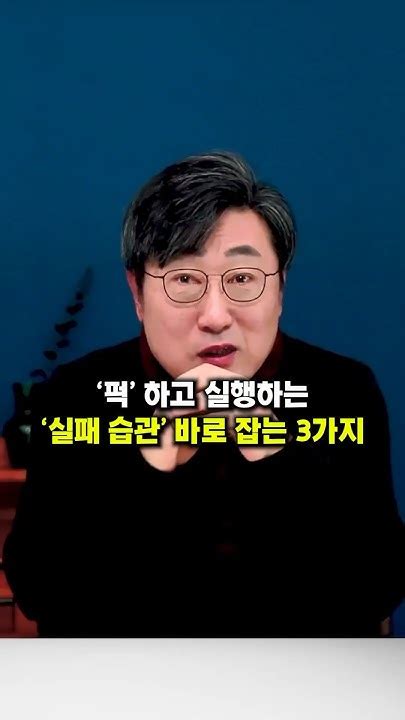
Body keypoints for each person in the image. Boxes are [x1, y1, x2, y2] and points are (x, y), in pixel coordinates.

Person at [3, 151, 404, 637]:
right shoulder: (76, 396)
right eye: (185, 280)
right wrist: (158, 458)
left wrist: (271, 452)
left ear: (279, 290)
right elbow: (38, 587)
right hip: (127, 677)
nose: (215, 316)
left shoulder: (343, 390)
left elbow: (380, 586)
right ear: (137, 293)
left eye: (243, 279)